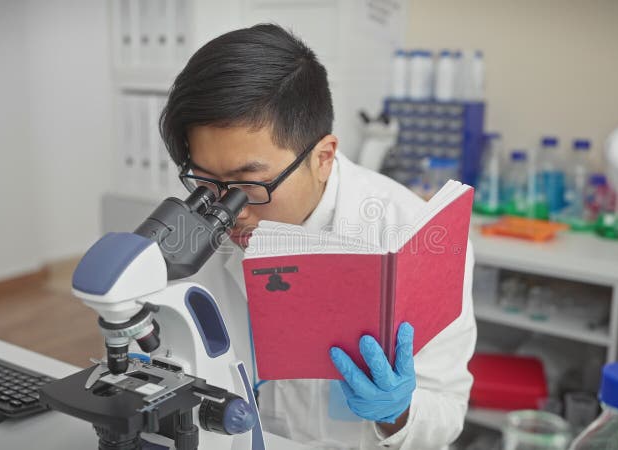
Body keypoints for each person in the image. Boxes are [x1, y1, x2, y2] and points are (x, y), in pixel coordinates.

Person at [159, 24, 476, 449]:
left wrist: (396, 413)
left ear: (323, 156)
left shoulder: (413, 235)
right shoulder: (187, 224)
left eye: (250, 184)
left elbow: (446, 415)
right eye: (205, 181)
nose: (228, 211)